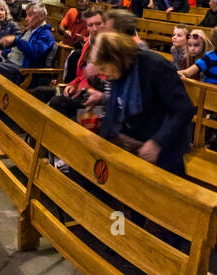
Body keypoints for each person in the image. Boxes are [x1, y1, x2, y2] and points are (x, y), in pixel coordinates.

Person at [75, 30, 195, 177]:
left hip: (164, 146)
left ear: (116, 59)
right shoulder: (120, 68)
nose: (104, 75)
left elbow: (184, 110)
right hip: (134, 141)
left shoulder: (155, 66)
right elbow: (120, 101)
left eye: (104, 68)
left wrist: (156, 142)